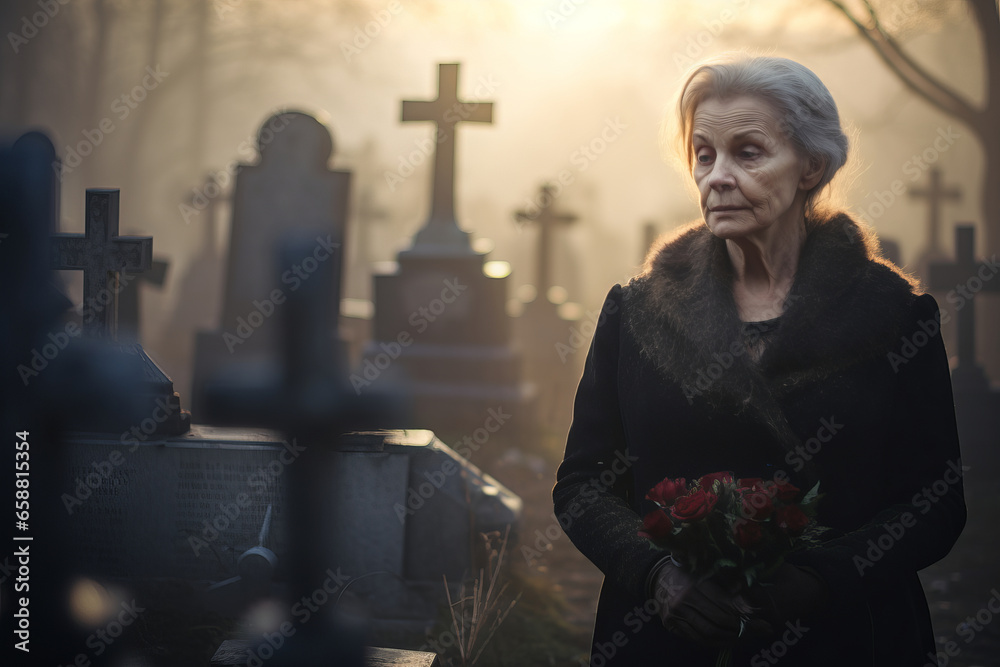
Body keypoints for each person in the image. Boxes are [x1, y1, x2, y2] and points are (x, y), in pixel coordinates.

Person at [552, 54, 966, 666]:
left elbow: (935, 503)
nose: (717, 177)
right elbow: (584, 485)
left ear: (812, 165)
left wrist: (819, 580)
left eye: (748, 153)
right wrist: (656, 574)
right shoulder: (636, 313)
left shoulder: (897, 318)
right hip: (662, 640)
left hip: (846, 640)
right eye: (703, 155)